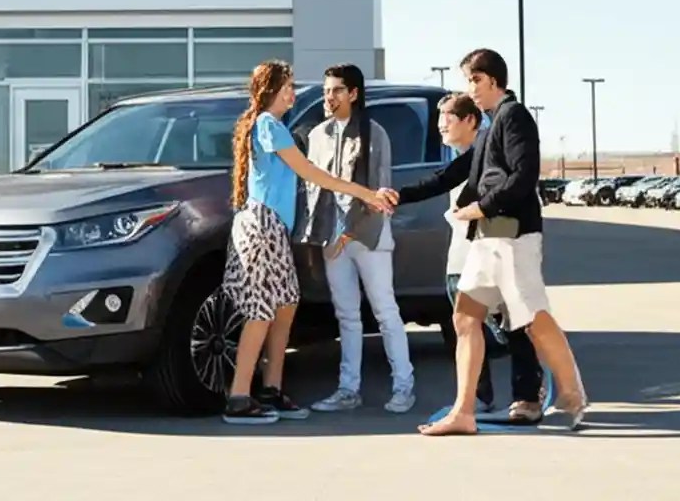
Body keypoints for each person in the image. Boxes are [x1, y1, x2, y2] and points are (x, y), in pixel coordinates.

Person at [379, 48, 589, 436]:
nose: (470, 89)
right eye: (468, 81)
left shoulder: (515, 118)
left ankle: (573, 394)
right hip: (487, 240)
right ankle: (463, 412)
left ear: (494, 81)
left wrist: (481, 207)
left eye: (475, 80)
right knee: (464, 318)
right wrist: (399, 195)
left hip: (514, 238)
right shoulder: (492, 125)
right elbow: (452, 176)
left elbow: (524, 178)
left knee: (533, 321)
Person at [222, 59, 392, 425]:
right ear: (271, 90)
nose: (293, 94)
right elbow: (311, 172)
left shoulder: (274, 126)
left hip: (272, 227)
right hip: (262, 226)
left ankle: (271, 388)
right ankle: (239, 396)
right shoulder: (268, 125)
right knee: (262, 310)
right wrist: (365, 192)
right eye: (288, 87)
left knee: (285, 304)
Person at [294, 64, 416, 414]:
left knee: (385, 311)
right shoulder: (317, 135)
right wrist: (318, 236)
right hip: (332, 239)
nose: (328, 97)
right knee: (346, 316)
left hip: (369, 237)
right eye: (325, 91)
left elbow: (379, 194)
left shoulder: (374, 134)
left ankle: (404, 386)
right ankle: (348, 390)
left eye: (335, 91)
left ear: (353, 94)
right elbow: (316, 191)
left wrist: (349, 235)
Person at [428, 92, 546, 422]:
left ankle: (527, 394)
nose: (441, 127)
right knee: (465, 327)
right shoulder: (464, 158)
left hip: (494, 253)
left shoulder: (493, 154)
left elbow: (515, 195)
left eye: (447, 120)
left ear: (470, 121)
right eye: (439, 122)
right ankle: (478, 397)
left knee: (513, 326)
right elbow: (439, 183)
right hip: (461, 258)